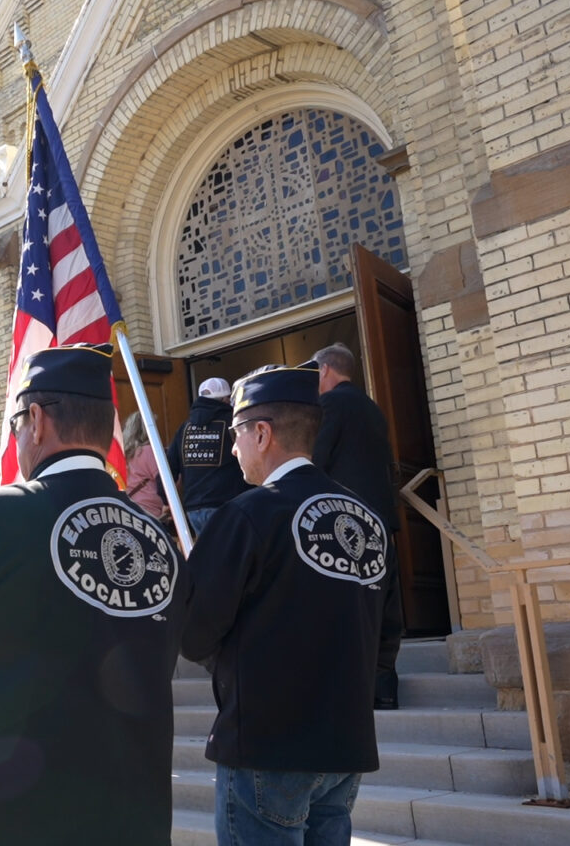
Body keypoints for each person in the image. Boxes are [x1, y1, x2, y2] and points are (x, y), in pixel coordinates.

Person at [0, 343, 188, 845]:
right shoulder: (158, 540)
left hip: (2, 821)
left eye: (17, 422)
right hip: (131, 822)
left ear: (36, 420)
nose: (17, 434)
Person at [182, 363, 390, 846]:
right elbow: (386, 631)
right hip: (344, 743)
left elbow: (194, 631)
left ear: (262, 432)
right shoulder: (366, 519)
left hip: (267, 742)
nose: (232, 449)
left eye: (235, 434)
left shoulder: (247, 514)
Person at [311, 342, 405, 710]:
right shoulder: (371, 407)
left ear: (324, 371)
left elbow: (318, 458)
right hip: (381, 516)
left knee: (351, 606)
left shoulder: (331, 405)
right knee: (385, 607)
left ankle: (355, 689)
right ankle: (384, 687)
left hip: (346, 523)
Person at [166, 376, 249, 537]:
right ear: (226, 399)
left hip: (193, 509)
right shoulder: (233, 422)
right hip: (226, 504)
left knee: (211, 557)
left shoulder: (185, 427)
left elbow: (168, 468)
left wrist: (165, 499)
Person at [124, 411, 167, 518]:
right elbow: (165, 482)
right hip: (150, 511)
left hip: (130, 508)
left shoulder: (125, 453)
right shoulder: (149, 451)